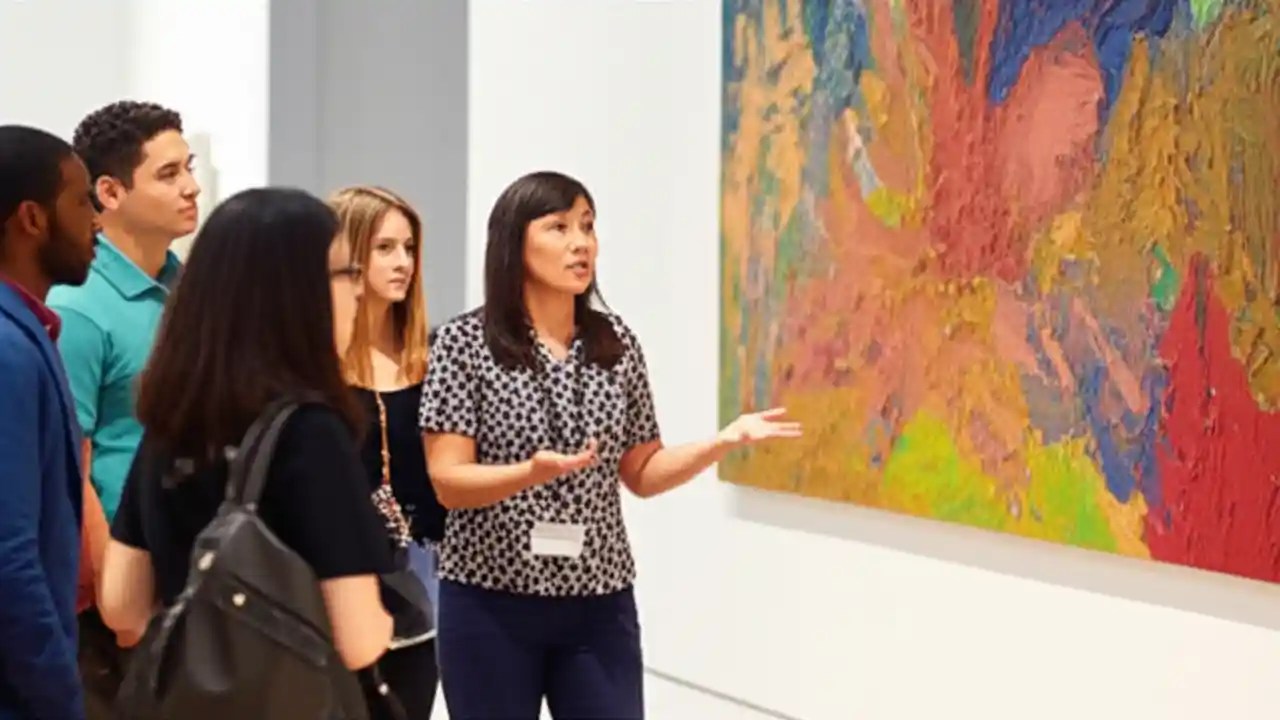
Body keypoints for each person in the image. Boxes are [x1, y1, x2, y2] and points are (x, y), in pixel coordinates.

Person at [420, 171, 801, 719]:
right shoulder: (465, 344)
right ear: (514, 243)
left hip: (597, 603)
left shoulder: (615, 342)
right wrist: (529, 472)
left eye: (589, 226)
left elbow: (642, 471)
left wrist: (720, 443)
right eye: (559, 227)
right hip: (490, 603)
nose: (581, 242)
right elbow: (448, 482)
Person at [96, 187, 397, 715]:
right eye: (346, 274)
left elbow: (122, 604)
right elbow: (359, 639)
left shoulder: (170, 421)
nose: (357, 293)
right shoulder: (310, 433)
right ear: (296, 295)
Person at [46, 100, 200, 708]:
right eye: (168, 175)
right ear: (108, 192)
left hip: (187, 584)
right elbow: (70, 464)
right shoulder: (78, 306)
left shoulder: (189, 288)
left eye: (187, 167)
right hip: (113, 610)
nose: (191, 186)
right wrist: (122, 601)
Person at [329, 185, 443, 719]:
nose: (404, 263)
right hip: (338, 589)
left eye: (409, 248)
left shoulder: (435, 359)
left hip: (424, 589)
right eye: (384, 248)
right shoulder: (316, 370)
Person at [0, 124, 99, 720]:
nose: (96, 220)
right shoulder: (7, 350)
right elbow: (8, 553)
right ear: (32, 219)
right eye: (83, 200)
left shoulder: (26, 333)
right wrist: (59, 697)